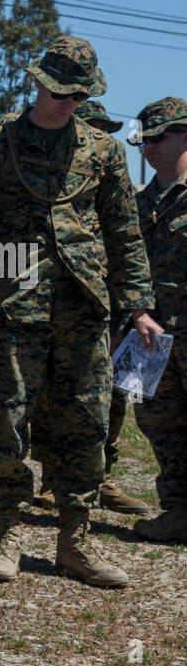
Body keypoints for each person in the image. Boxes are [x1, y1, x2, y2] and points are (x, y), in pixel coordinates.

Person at [0, 36, 158, 587]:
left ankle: (75, 540)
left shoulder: (103, 151)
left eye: (79, 94)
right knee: (6, 425)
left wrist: (137, 306)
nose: (68, 102)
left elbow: (124, 235)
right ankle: (8, 534)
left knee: (84, 426)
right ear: (36, 81)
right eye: (61, 91)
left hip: (84, 311)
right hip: (13, 311)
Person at [34, 100, 150, 515]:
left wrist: (134, 307)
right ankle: (52, 477)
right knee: (55, 397)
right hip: (65, 301)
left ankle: (104, 477)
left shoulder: (112, 181)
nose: (97, 136)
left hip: (110, 303)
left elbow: (127, 244)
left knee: (112, 400)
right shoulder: (59, 183)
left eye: (104, 129)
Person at [129, 97, 187, 542]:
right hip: (152, 335)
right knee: (160, 422)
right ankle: (178, 512)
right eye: (144, 138)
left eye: (160, 136)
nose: (149, 145)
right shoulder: (137, 203)